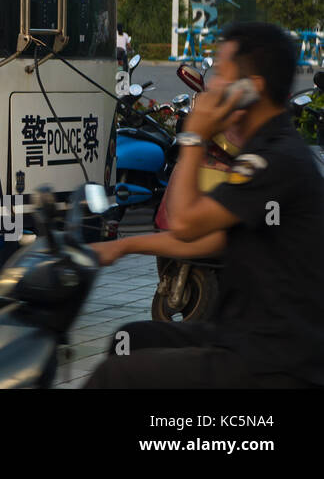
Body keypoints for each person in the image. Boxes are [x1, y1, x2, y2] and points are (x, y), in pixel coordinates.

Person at [85, 21, 324, 388]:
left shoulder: (274, 159)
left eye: (220, 74)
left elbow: (184, 223)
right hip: (240, 337)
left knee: (114, 376)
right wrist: (122, 246)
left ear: (250, 90)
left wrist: (196, 134)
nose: (210, 86)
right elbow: (210, 240)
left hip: (272, 359)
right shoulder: (264, 152)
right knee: (131, 339)